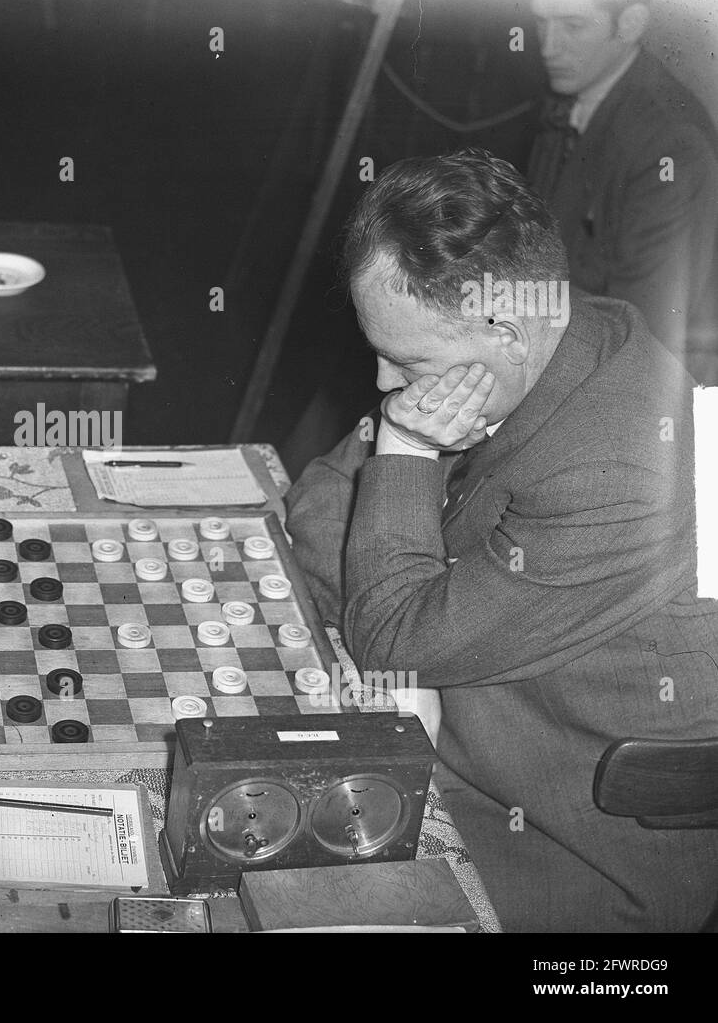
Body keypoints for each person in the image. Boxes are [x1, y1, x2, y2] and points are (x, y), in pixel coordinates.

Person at [284, 148, 718, 932]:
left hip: (562, 841)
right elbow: (317, 495)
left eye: (405, 362)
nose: (383, 387)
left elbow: (388, 640)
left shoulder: (618, 473)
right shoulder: (541, 336)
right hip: (466, 723)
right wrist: (401, 585)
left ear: (510, 332)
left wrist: (409, 460)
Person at [527, 0, 718, 382]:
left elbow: (645, 336)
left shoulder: (670, 145)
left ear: (629, 24)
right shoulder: (570, 96)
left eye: (572, 26)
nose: (548, 47)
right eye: (541, 24)